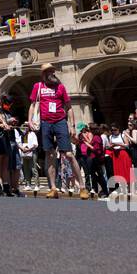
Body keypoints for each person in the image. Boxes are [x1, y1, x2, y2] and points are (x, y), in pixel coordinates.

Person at [30, 63, 82, 199]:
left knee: (69, 154)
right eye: (48, 71)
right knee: (50, 155)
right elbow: (33, 104)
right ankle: (53, 188)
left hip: (60, 122)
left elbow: (69, 106)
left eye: (53, 71)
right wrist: (30, 120)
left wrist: (72, 125)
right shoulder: (38, 86)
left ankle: (82, 186)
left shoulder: (60, 87)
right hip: (45, 123)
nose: (52, 73)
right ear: (43, 74)